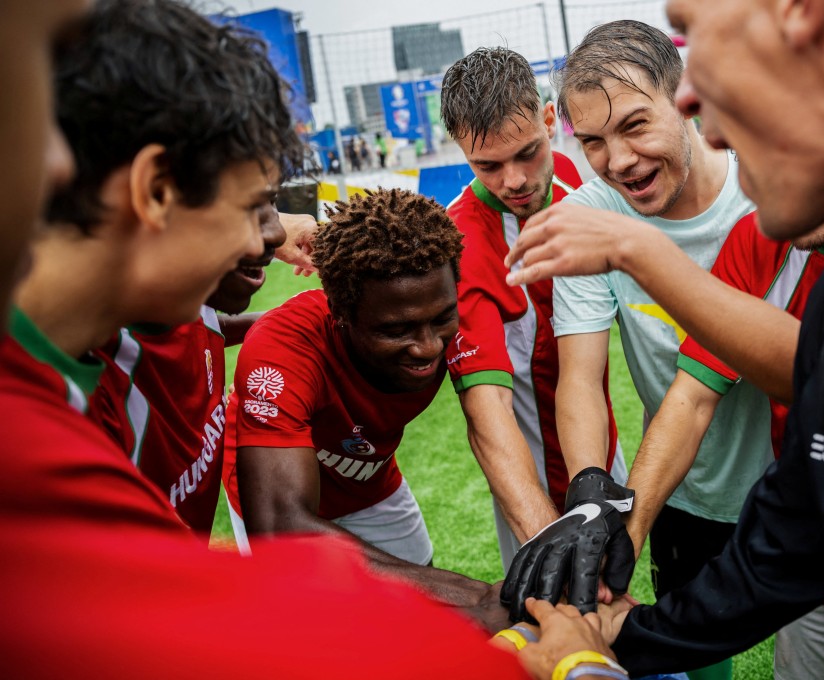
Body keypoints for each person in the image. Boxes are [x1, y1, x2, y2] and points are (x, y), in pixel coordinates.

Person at [0, 2, 539, 676]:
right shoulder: (38, 438)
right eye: (258, 204)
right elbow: (199, 603)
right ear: (156, 193)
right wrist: (500, 623)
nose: (277, 234)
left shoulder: (180, 313)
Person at [525, 0, 824, 677]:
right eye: (593, 142)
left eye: (697, 34)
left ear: (802, 13)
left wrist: (639, 253)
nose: (692, 94)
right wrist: (620, 631)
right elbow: (798, 528)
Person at [507, 21, 769, 679]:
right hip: (680, 488)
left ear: (684, 100)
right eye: (592, 141)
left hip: (790, 479)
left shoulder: (766, 196)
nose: (617, 159)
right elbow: (580, 376)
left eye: (634, 126)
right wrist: (593, 488)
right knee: (701, 653)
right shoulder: (588, 215)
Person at [221, 188, 516, 629]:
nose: (428, 346)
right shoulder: (285, 349)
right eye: (397, 330)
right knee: (312, 628)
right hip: (275, 497)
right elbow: (283, 524)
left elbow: (493, 424)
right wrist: (477, 598)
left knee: (417, 593)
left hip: (369, 478)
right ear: (340, 314)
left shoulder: (457, 314)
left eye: (440, 320)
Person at [439, 46, 627, 570]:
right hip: (534, 489)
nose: (515, 180)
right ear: (461, 151)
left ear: (549, 120)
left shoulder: (573, 178)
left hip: (604, 460)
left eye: (526, 153)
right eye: (488, 165)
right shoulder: (463, 248)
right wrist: (546, 531)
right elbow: (487, 414)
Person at [87, 202, 285, 535]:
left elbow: (201, 329)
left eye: (273, 201)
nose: (277, 232)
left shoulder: (191, 299)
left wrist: (283, 323)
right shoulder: (95, 384)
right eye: (247, 203)